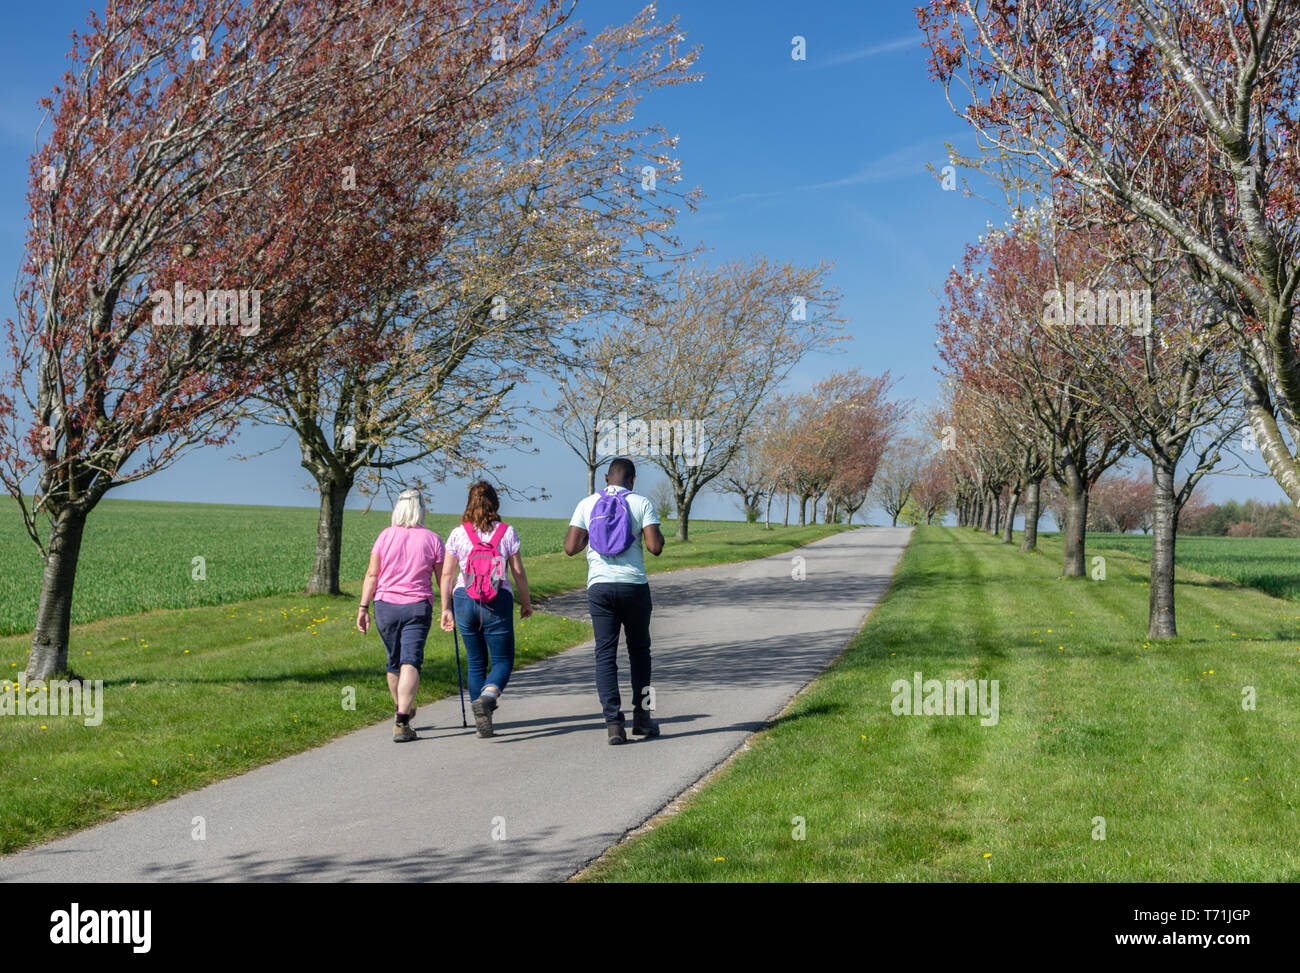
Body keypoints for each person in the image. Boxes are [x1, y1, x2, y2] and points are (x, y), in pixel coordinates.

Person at [564, 457, 665, 745]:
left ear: (606, 479)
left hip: (600, 588)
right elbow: (654, 547)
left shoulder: (587, 504)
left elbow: (570, 547)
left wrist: (589, 539)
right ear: (633, 480)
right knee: (640, 652)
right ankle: (643, 718)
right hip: (633, 586)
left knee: (605, 655)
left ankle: (613, 724)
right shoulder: (641, 503)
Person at [440, 480, 532, 738]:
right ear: (496, 503)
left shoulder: (458, 533)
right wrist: (526, 602)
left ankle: (482, 715)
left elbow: (447, 574)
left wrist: (445, 608)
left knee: (476, 661)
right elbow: (518, 572)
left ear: (469, 503)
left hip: (463, 600)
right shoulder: (507, 532)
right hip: (497, 601)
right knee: (503, 660)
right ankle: (488, 699)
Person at [357, 487, 445, 743]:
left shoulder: (384, 536)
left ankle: (401, 711)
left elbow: (372, 574)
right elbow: (442, 578)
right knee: (411, 661)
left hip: (384, 605)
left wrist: (363, 607)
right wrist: (449, 605)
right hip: (417, 605)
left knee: (394, 662)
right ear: (421, 509)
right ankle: (402, 718)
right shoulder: (433, 539)